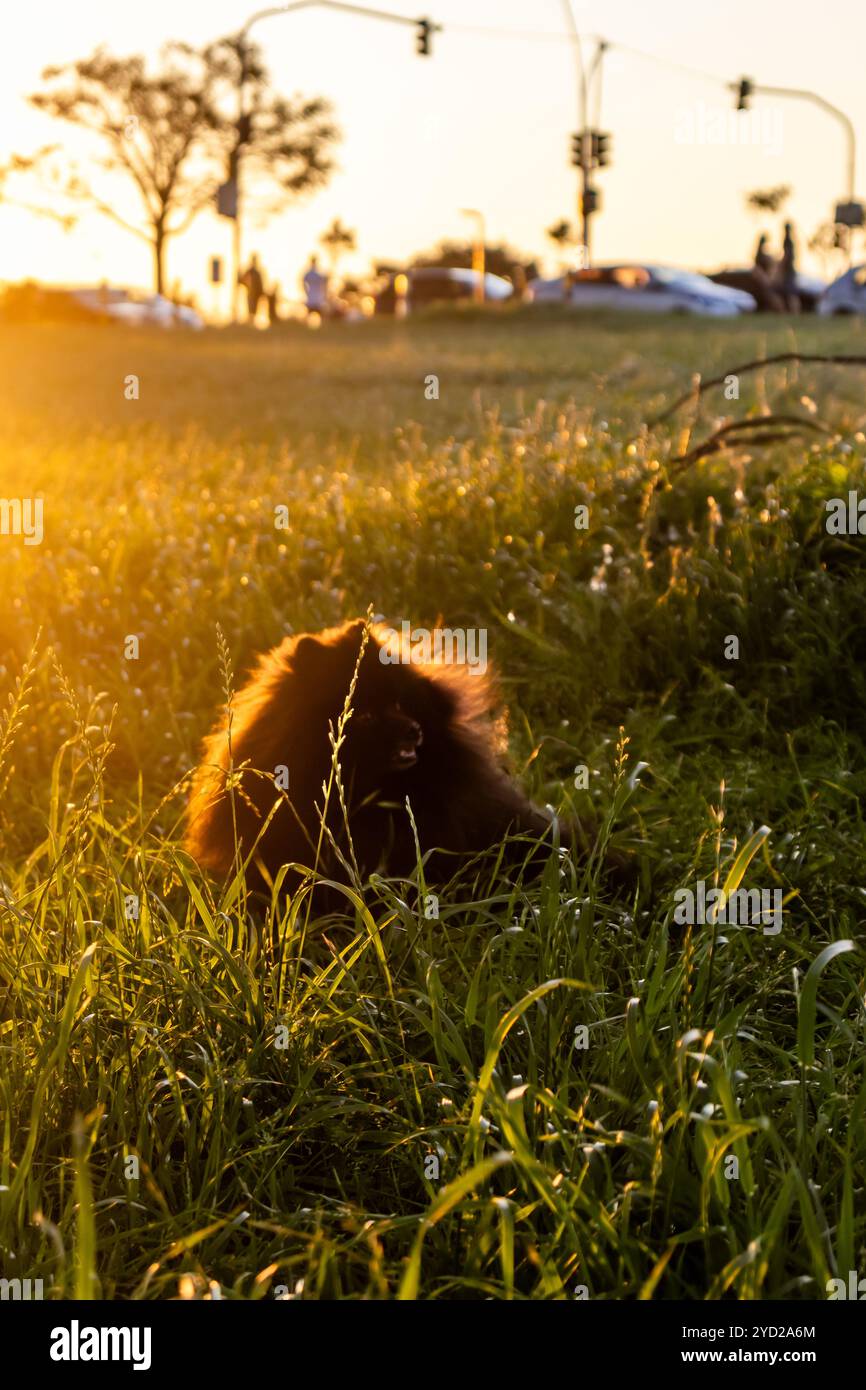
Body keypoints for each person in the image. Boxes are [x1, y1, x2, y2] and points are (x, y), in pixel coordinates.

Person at [778, 222, 800, 312]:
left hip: (789, 271)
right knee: (790, 293)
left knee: (791, 293)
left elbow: (786, 255)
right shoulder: (791, 240)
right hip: (789, 270)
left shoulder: (787, 240)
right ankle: (794, 310)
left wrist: (780, 266)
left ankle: (795, 310)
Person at [240, 254, 264, 322]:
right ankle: (251, 322)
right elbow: (242, 280)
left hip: (256, 294)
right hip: (250, 293)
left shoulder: (257, 273)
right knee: (251, 309)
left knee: (254, 310)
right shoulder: (249, 271)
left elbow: (260, 284)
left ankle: (252, 321)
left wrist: (260, 292)